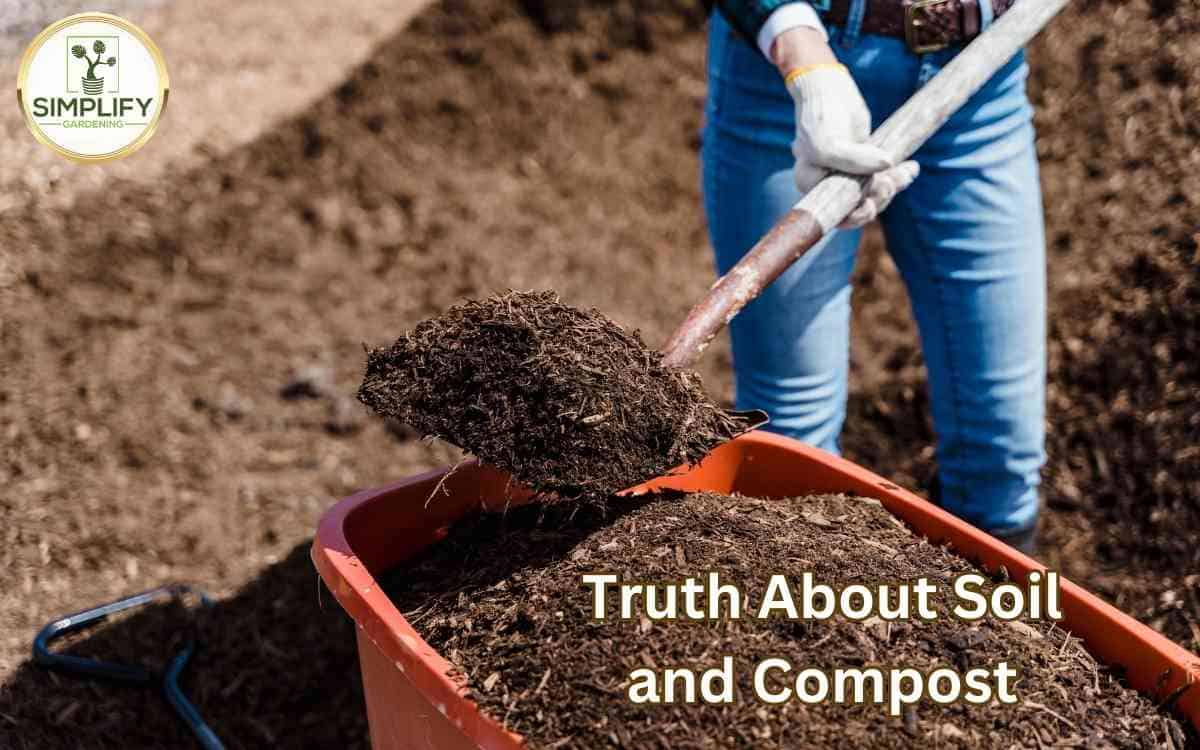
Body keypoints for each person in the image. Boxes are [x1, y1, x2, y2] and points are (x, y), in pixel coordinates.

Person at [705, 0, 1043, 551]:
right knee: (794, 443)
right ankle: (799, 623)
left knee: (1003, 453)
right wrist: (804, 60)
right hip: (793, 72)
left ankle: (991, 626)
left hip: (983, 70)